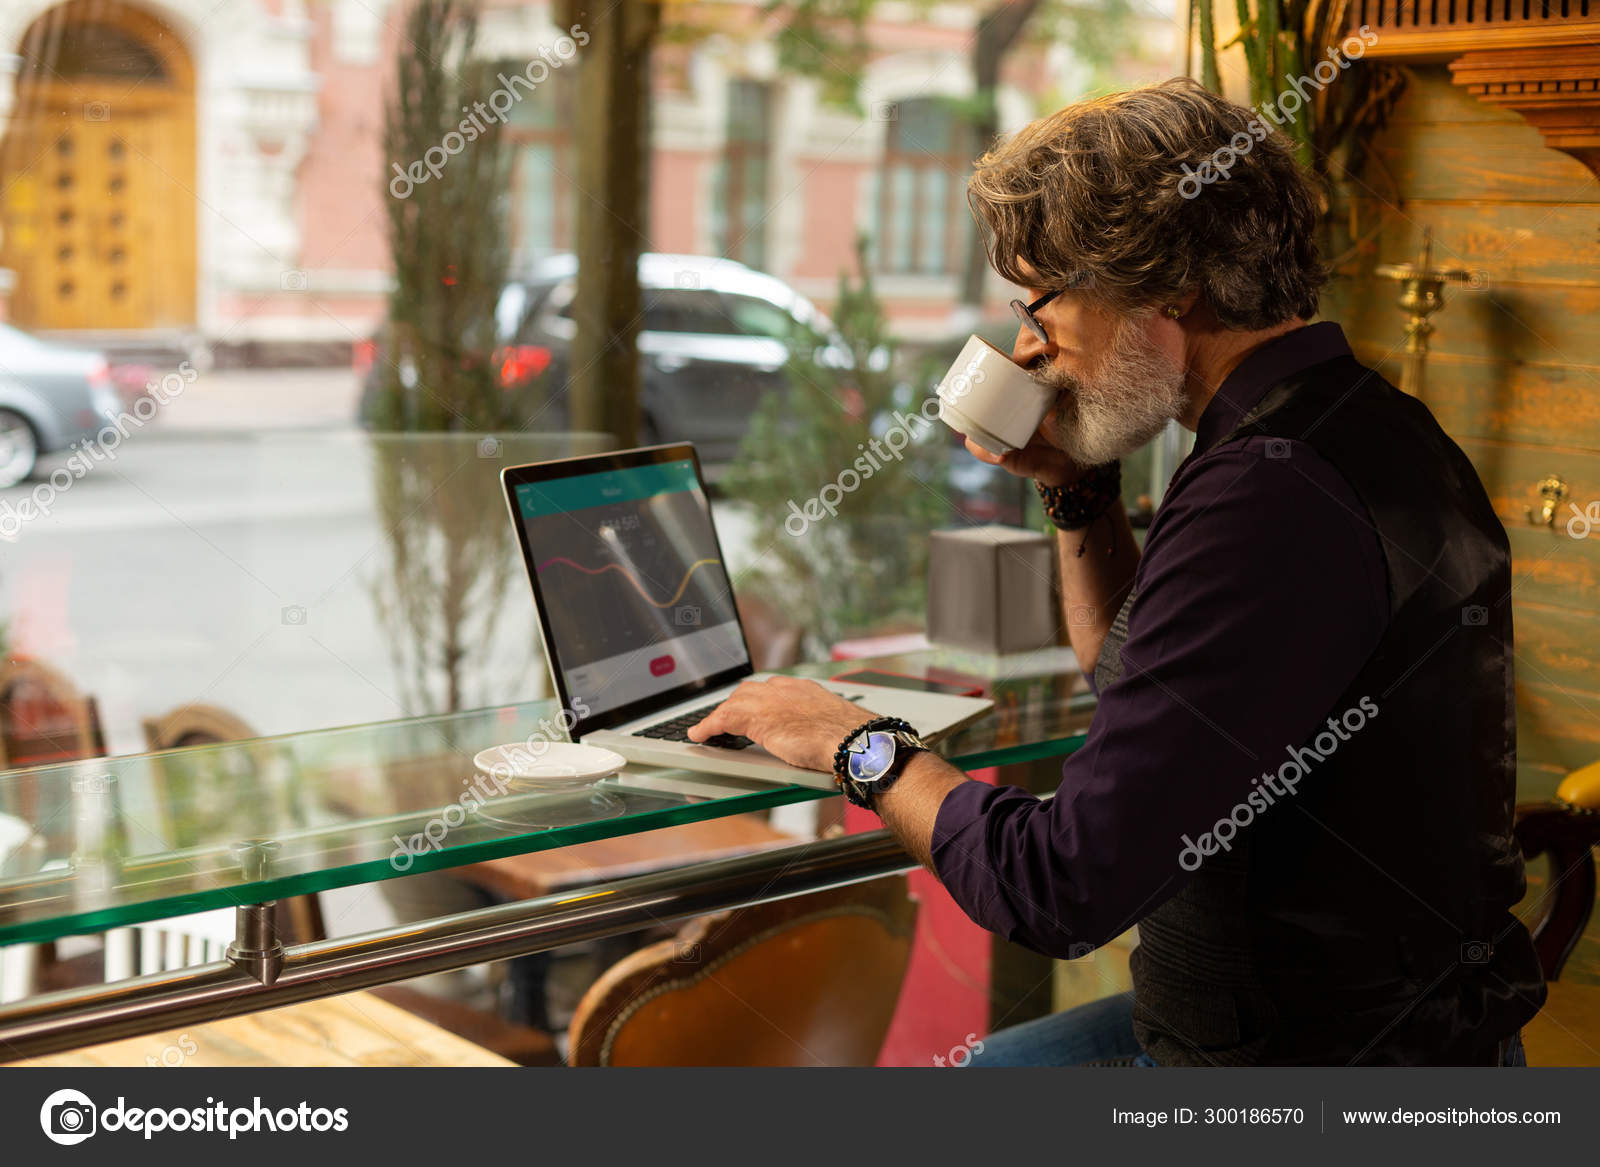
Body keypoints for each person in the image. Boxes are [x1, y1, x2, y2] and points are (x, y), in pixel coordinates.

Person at [689, 77, 1544, 1066]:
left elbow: (1059, 889)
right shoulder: (1366, 428)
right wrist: (1073, 481)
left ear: (1166, 284)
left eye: (1039, 301)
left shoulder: (1266, 498)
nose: (1022, 347)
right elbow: (1128, 670)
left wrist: (855, 745)